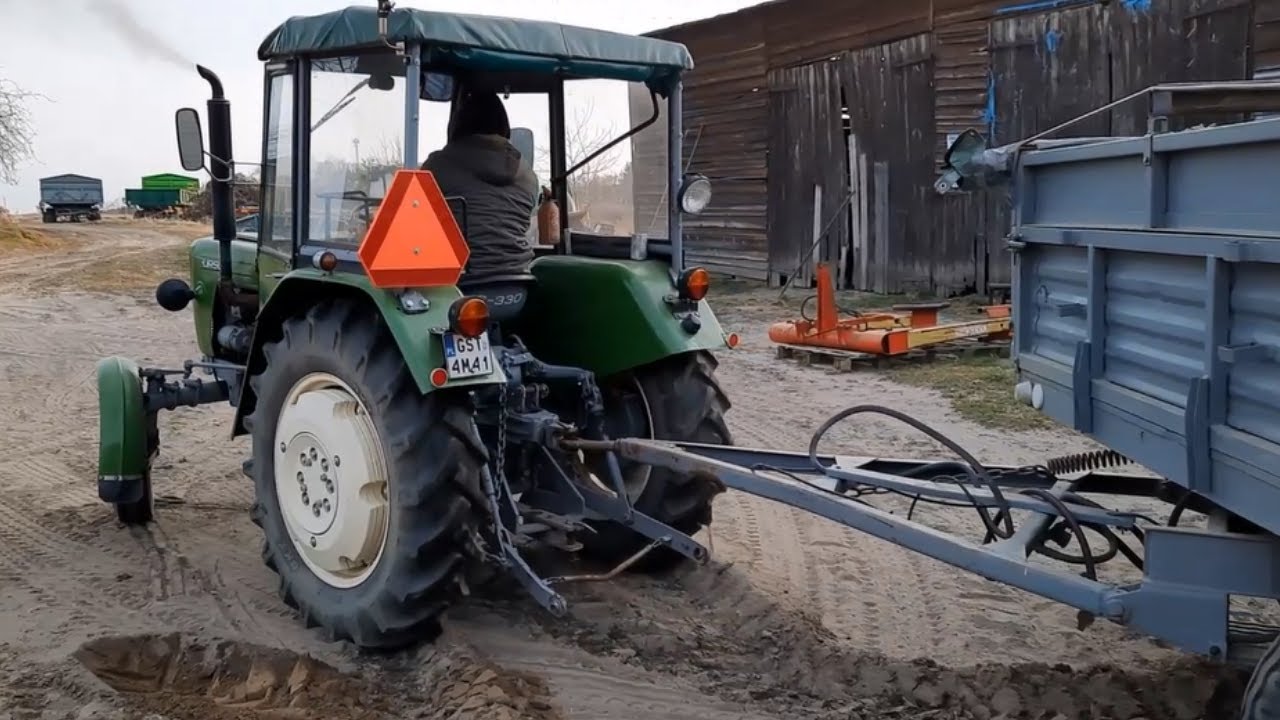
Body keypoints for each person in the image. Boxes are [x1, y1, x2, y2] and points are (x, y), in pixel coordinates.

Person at [422, 90, 539, 279]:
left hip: (460, 284)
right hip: (518, 281)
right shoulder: (528, 175)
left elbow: (414, 221)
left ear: (457, 125)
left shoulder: (437, 166)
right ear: (503, 126)